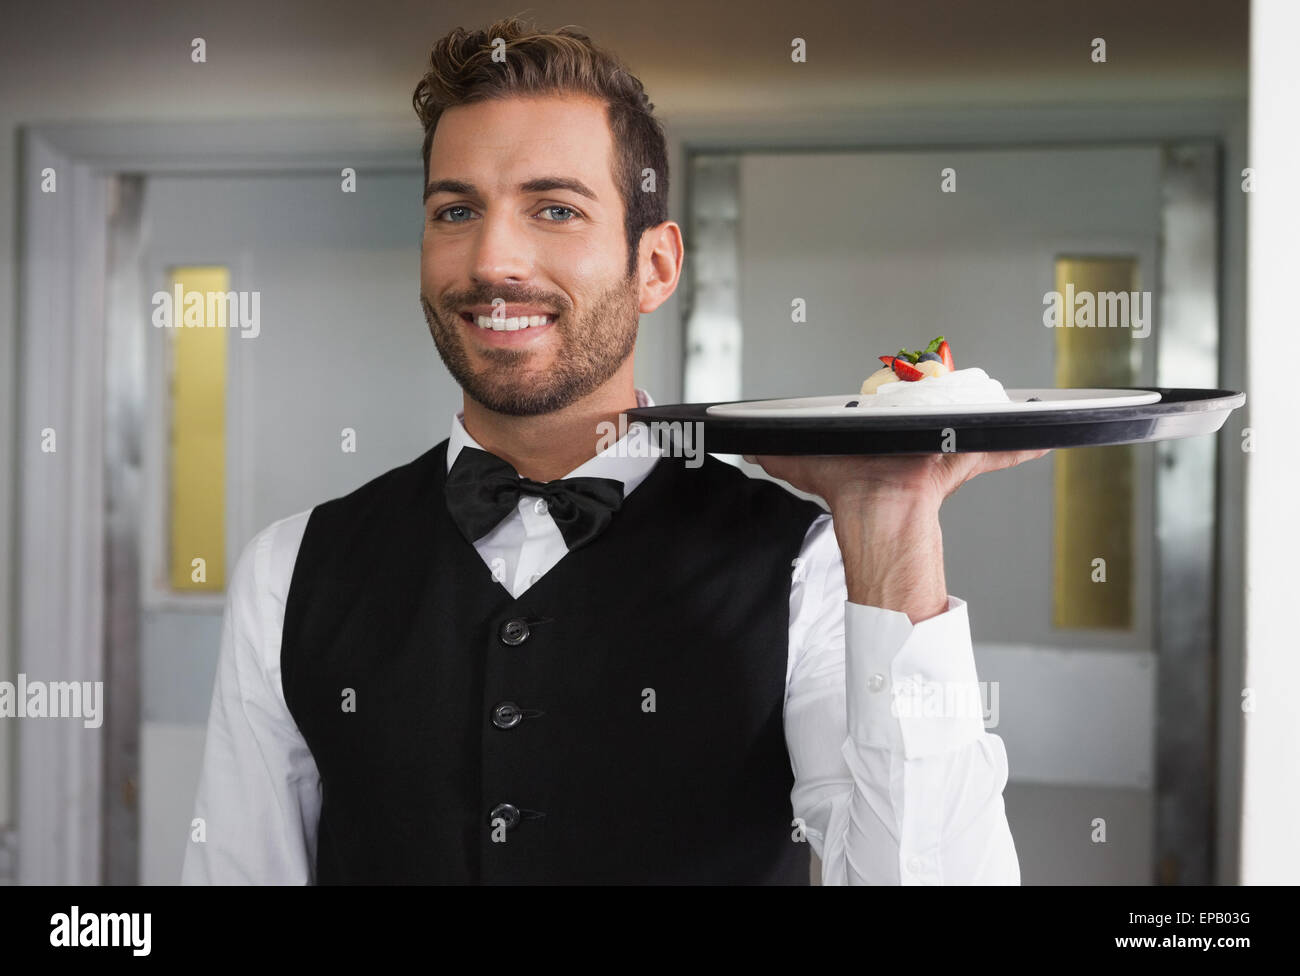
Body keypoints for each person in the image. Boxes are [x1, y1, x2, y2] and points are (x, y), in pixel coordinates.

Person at [181, 15, 1043, 885]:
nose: (493, 259)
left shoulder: (805, 566)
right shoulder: (289, 572)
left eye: (555, 208)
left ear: (655, 267)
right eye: (456, 210)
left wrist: (893, 533)